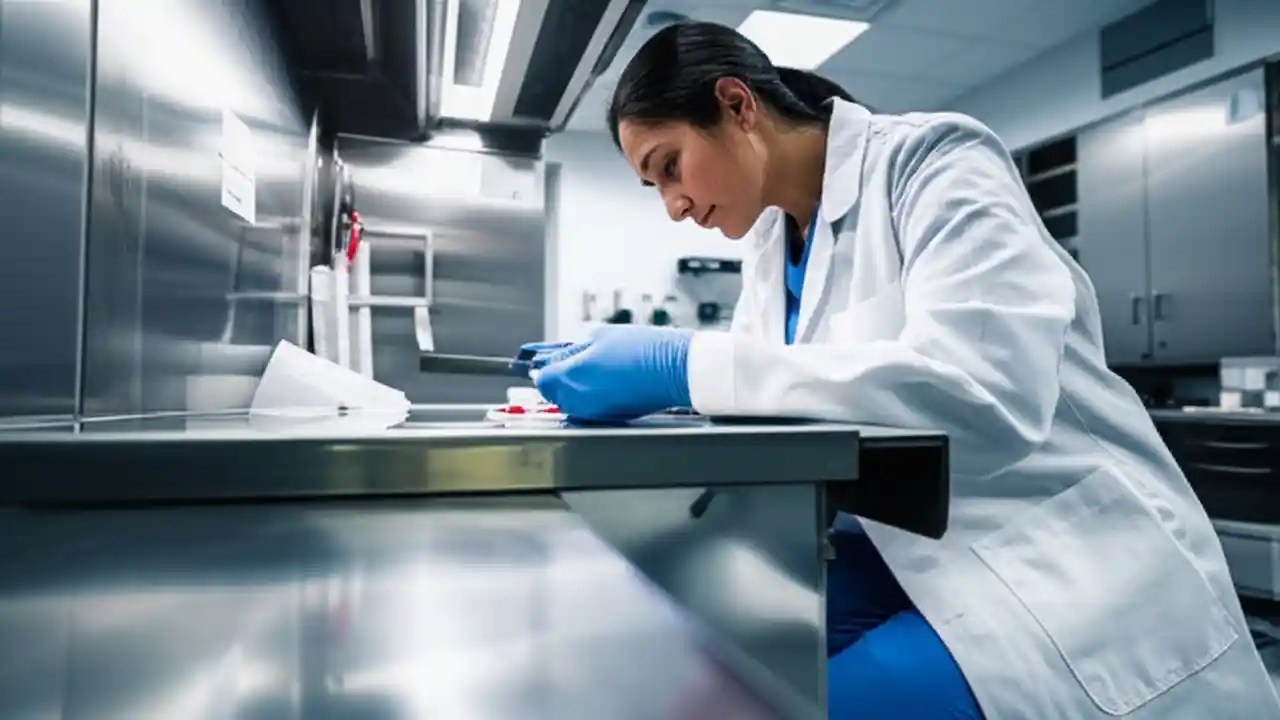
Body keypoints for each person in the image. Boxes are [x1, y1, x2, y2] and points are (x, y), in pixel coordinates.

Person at [526, 21, 1280, 720]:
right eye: (654, 186)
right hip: (900, 552)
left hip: (1056, 560)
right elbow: (777, 404)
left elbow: (986, 394)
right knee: (702, 668)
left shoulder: (934, 162)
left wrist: (683, 363)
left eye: (669, 167)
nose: (674, 205)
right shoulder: (769, 247)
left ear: (737, 105)